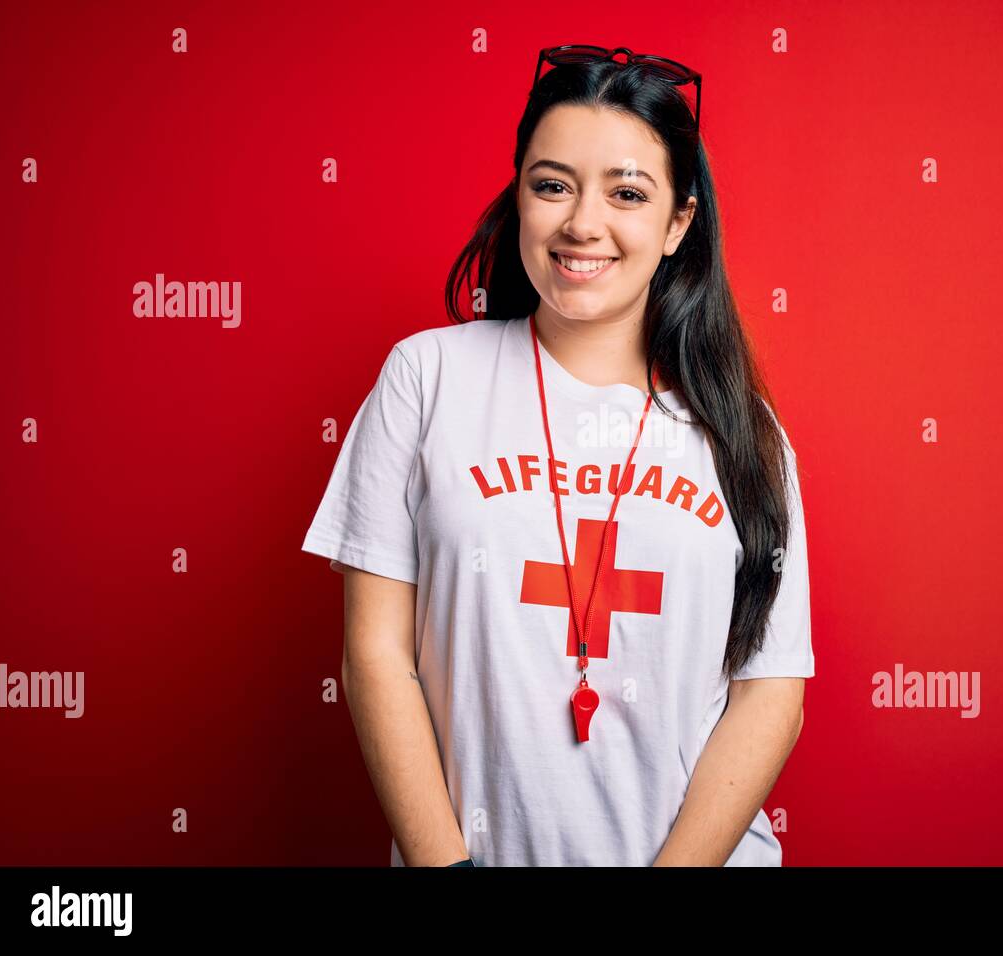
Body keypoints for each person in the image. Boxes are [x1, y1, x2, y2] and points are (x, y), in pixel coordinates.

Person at [301, 45, 814, 867]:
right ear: (520, 200)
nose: (583, 223)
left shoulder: (744, 433)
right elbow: (376, 655)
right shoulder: (426, 378)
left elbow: (770, 694)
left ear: (678, 223)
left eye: (627, 193)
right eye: (552, 185)